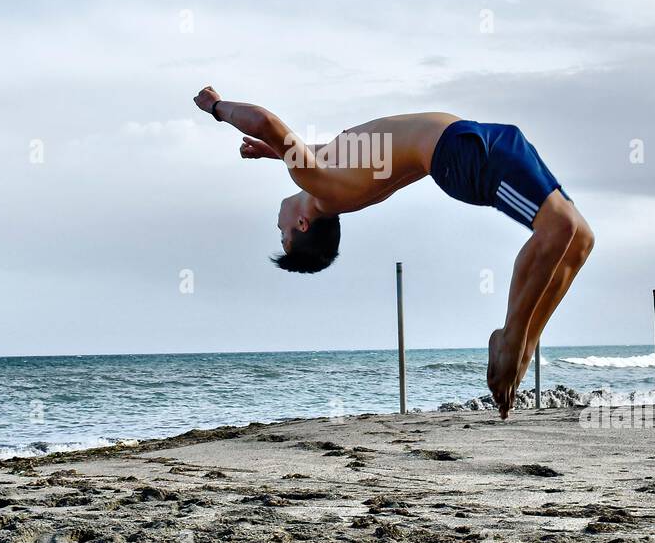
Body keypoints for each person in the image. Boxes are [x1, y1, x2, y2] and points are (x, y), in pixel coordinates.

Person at [194, 86, 593, 419]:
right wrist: (216, 106)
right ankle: (513, 341)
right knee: (557, 230)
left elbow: (355, 148)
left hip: (476, 138)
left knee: (579, 238)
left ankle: (523, 345)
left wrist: (270, 152)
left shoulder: (330, 175)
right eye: (282, 237)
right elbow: (266, 122)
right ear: (302, 227)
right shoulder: (314, 181)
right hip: (459, 152)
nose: (277, 227)